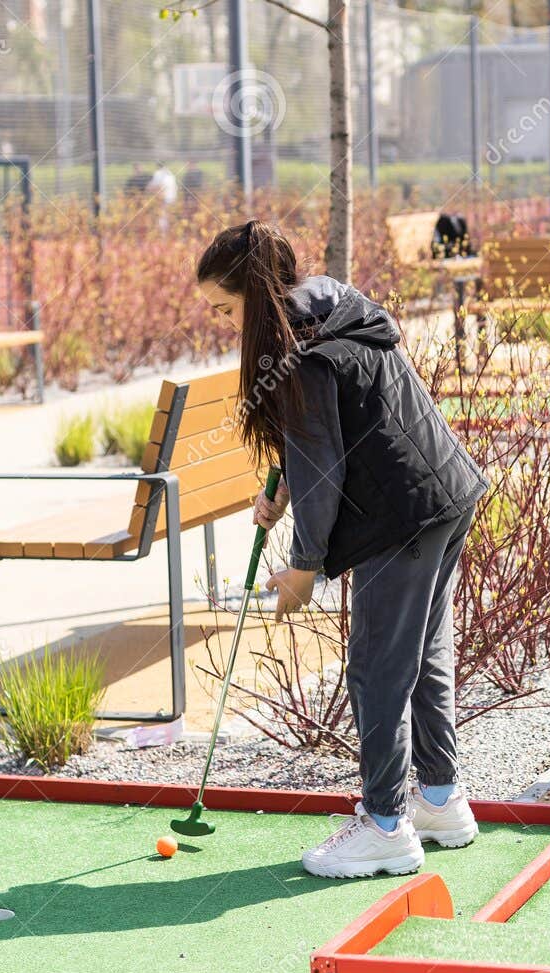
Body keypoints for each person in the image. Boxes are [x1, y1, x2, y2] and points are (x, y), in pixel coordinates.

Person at [196, 220, 487, 878]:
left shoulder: (303, 358)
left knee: (377, 670)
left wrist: (302, 568)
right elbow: (330, 443)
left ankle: (386, 825)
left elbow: (324, 476)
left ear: (256, 298)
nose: (219, 322)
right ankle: (440, 800)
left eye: (224, 308)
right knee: (420, 658)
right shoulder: (333, 313)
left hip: (402, 515)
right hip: (445, 494)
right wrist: (286, 488)